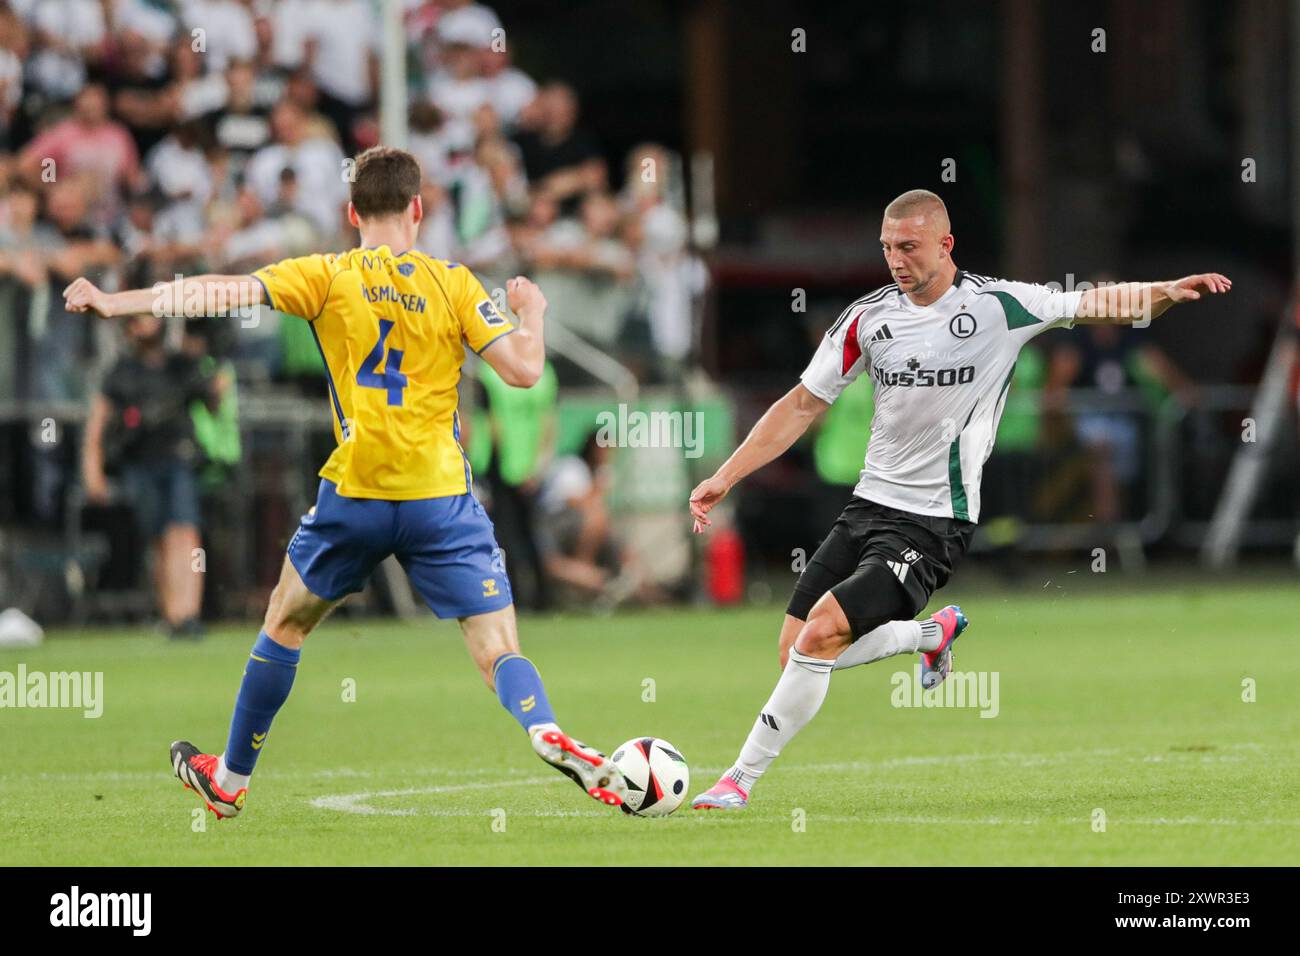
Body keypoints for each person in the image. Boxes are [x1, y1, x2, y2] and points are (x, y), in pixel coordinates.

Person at [63, 145, 627, 819]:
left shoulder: (326, 276)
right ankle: (543, 728)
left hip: (355, 493)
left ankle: (232, 779)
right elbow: (525, 371)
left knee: (286, 622)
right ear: (418, 209)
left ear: (350, 212)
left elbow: (220, 289)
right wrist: (531, 311)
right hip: (439, 498)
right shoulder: (455, 283)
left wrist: (116, 301)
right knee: (498, 647)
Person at [686, 189, 1231, 810]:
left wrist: (1161, 291)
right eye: (888, 247)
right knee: (794, 654)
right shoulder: (868, 318)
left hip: (934, 521)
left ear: (946, 245)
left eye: (909, 246)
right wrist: (725, 476)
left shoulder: (999, 306)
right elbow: (802, 404)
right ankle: (928, 635)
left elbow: (1088, 304)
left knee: (819, 638)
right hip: (867, 507)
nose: (896, 259)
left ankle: (737, 781)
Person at [82, 312, 221, 639]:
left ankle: (189, 613)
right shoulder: (122, 371)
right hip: (141, 462)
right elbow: (98, 424)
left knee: (184, 533)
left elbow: (212, 401)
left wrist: (213, 378)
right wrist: (93, 469)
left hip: (179, 457)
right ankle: (173, 615)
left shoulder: (181, 364)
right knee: (159, 539)